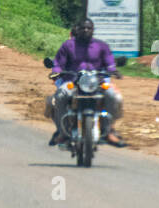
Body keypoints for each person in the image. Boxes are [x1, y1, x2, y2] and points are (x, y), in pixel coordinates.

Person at [46, 19, 126, 147]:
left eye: (89, 28)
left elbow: (109, 62)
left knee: (114, 97)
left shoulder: (101, 46)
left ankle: (109, 130)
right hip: (73, 81)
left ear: (93, 30)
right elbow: (58, 63)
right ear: (78, 30)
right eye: (83, 28)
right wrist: (56, 71)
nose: (86, 30)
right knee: (60, 96)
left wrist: (113, 71)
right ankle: (62, 132)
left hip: (97, 82)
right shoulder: (68, 45)